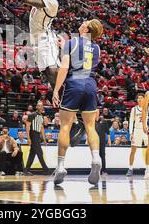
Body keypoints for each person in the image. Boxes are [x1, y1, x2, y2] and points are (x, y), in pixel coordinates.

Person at [52, 20, 104, 186]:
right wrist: (64, 46)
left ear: (86, 28)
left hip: (74, 83)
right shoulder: (97, 48)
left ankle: (60, 166)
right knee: (90, 127)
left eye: (85, 22)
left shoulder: (71, 42)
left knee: (65, 126)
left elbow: (65, 67)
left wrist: (56, 89)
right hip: (90, 84)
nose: (82, 22)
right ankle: (96, 159)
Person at [126, 93, 149, 177]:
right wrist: (131, 133)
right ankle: (130, 168)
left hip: (147, 130)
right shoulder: (134, 109)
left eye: (141, 98)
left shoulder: (148, 108)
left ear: (144, 99)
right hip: (137, 130)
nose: (139, 99)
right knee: (133, 150)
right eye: (138, 98)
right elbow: (131, 121)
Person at [23, 101, 49, 175]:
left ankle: (26, 170)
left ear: (42, 107)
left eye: (41, 106)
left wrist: (44, 139)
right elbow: (27, 126)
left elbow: (41, 128)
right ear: (36, 107)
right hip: (33, 134)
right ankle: (46, 169)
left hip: (37, 135)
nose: (39, 107)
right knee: (39, 152)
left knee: (33, 153)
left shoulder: (41, 116)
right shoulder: (32, 115)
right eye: (38, 106)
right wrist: (28, 138)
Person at [95, 110, 111, 175]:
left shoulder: (103, 121)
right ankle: (96, 170)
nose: (96, 114)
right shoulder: (92, 121)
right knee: (95, 156)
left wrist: (109, 140)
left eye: (97, 112)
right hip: (95, 142)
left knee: (103, 156)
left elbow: (108, 131)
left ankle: (104, 170)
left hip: (102, 141)